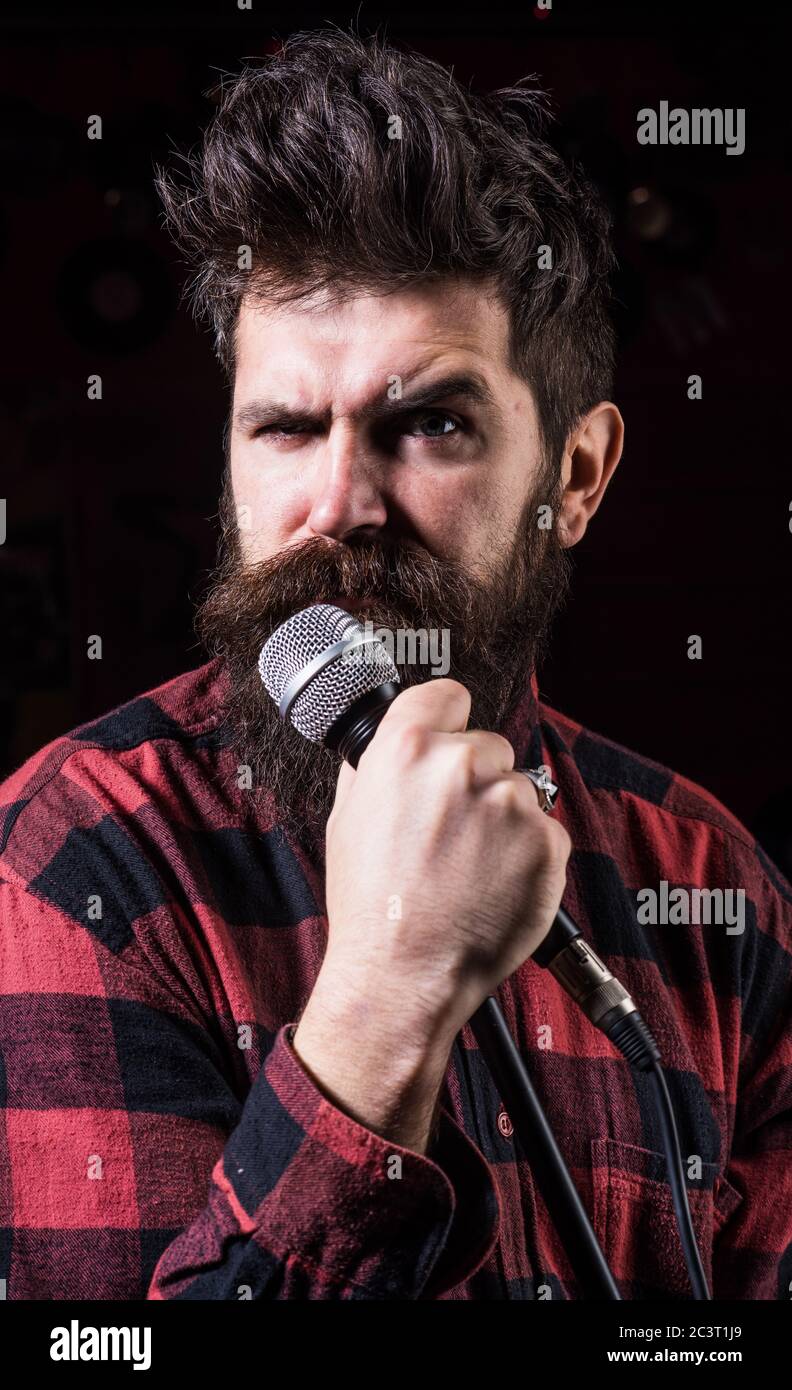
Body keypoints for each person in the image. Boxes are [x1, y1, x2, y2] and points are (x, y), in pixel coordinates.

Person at [1, 27, 789, 1301]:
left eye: (428, 422)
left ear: (576, 476)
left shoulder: (713, 888)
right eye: (286, 427)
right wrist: (382, 1006)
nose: (340, 501)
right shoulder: (78, 863)